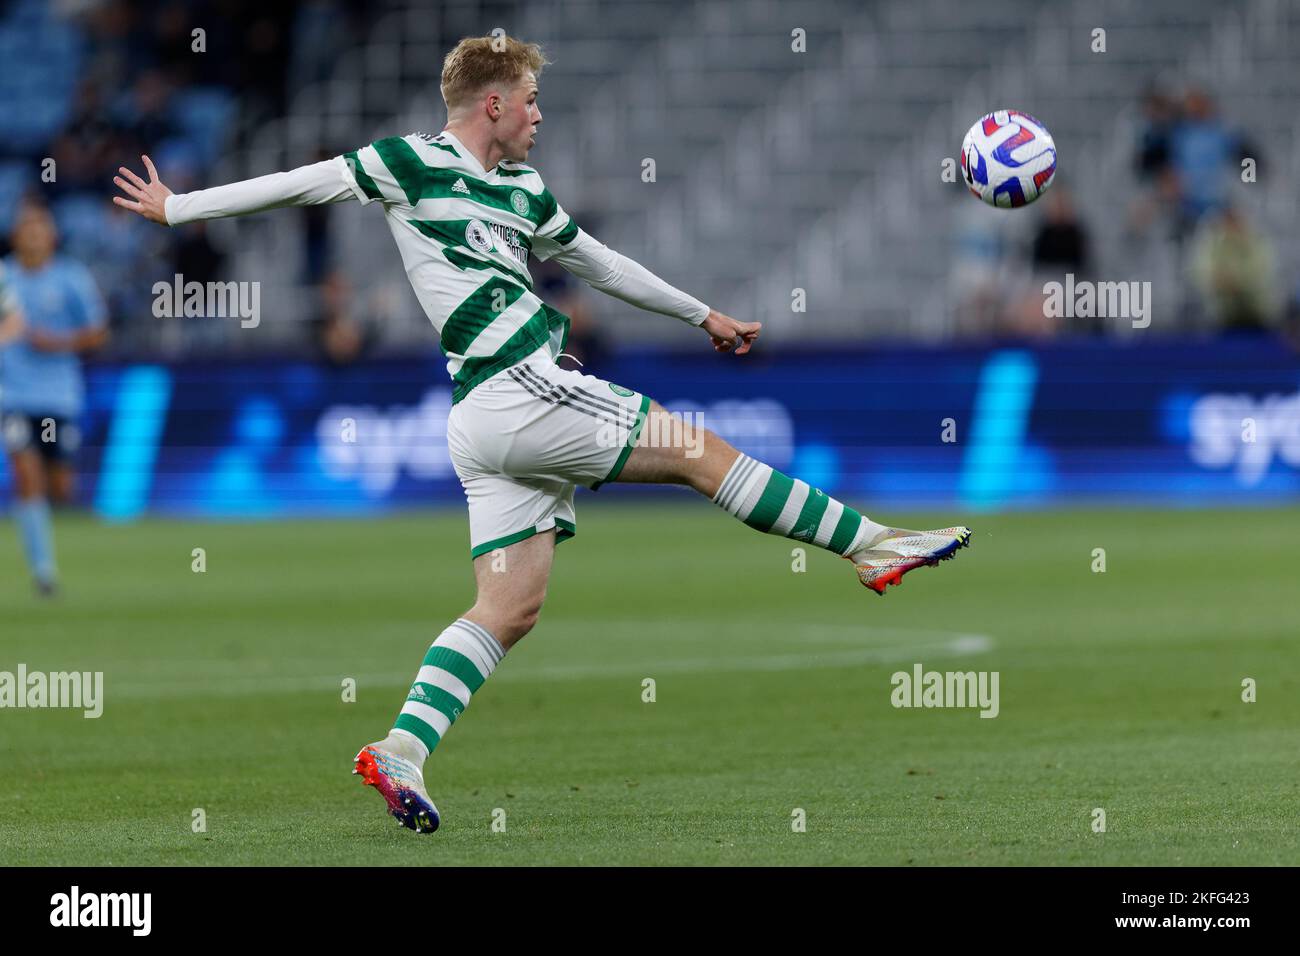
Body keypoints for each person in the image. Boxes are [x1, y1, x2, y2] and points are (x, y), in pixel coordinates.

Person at [112, 35, 972, 834]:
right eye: (528, 100)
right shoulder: (411, 162)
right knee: (701, 455)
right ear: (490, 105)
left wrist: (698, 312)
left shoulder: (522, 192)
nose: (538, 115)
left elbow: (599, 262)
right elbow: (306, 180)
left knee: (509, 607)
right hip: (521, 389)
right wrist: (180, 207)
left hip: (484, 422)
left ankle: (402, 750)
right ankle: (870, 546)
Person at [1, 204, 109, 596]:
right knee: (26, 477)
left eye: (38, 228)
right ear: (15, 236)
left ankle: (45, 524)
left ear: (52, 237)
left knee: (61, 486)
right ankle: (43, 571)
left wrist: (59, 342)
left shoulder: (70, 278)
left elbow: (99, 333)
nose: (31, 235)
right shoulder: (3, 277)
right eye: (24, 228)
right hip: (12, 396)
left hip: (59, 397)